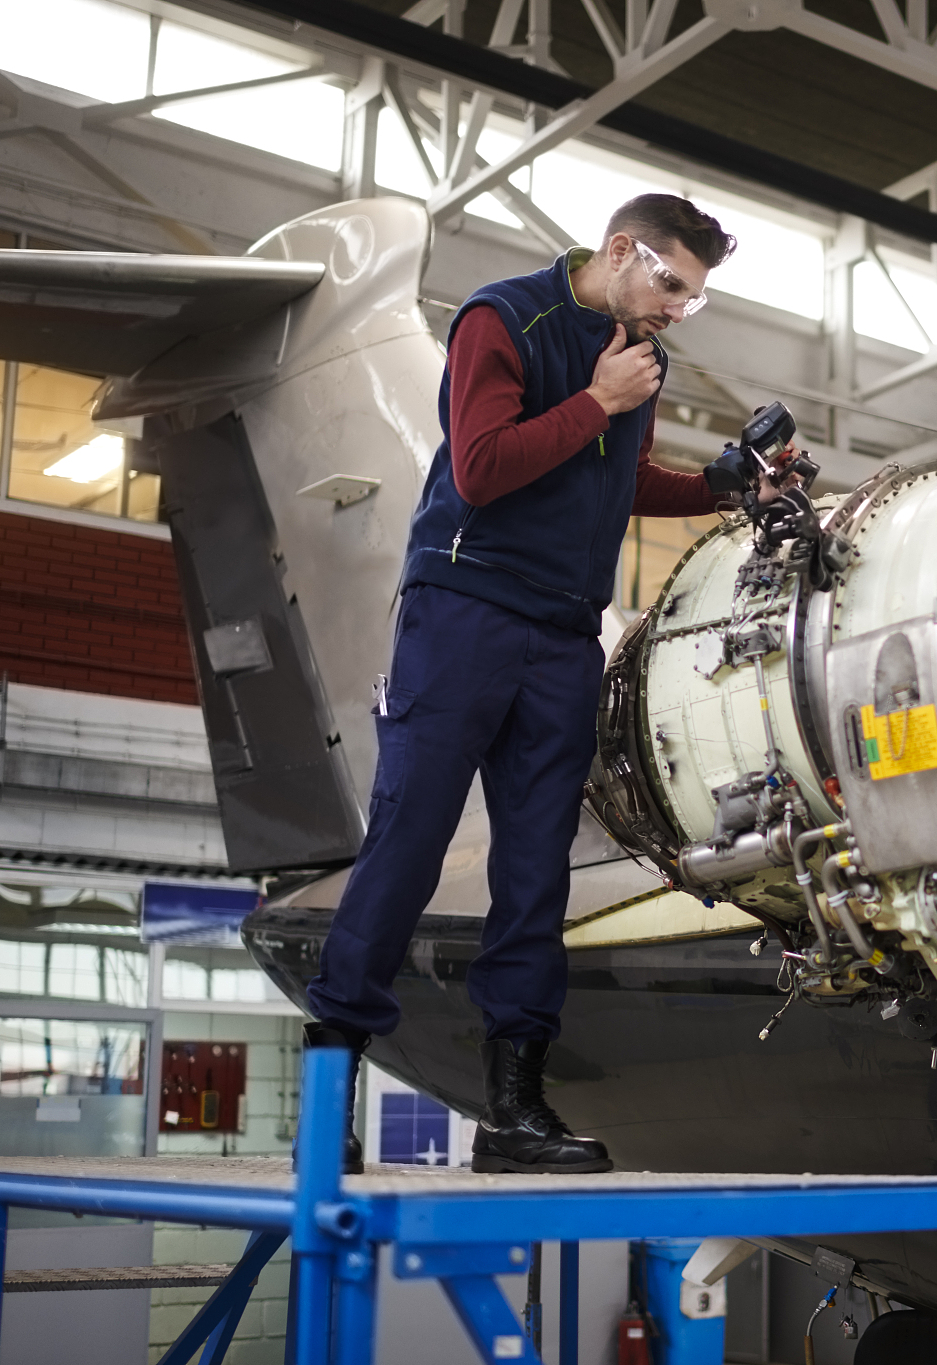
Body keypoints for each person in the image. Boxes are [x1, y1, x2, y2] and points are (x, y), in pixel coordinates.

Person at [301, 195, 790, 1174]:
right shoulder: (500, 318)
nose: (676, 313)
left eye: (693, 300)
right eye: (671, 288)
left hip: (564, 634)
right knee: (407, 846)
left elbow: (617, 474)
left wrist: (727, 481)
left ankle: (511, 1114)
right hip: (463, 613)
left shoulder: (631, 357)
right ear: (621, 251)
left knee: (536, 876)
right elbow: (481, 469)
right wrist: (597, 400)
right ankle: (327, 1096)